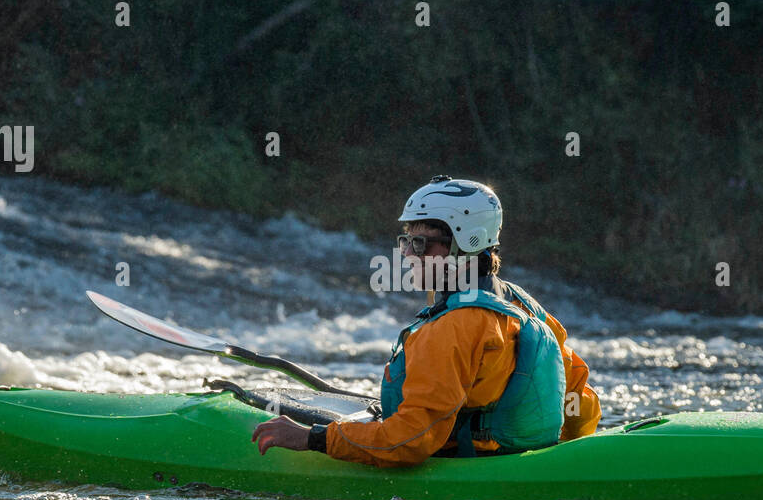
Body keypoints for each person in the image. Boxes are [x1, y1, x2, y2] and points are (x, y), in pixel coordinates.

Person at [252, 176, 601, 466]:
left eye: (420, 244)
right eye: (406, 240)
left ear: (464, 244)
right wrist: (559, 461)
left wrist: (311, 439)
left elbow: (410, 440)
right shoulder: (519, 302)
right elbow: (578, 402)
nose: (406, 254)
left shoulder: (452, 329)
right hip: (515, 461)